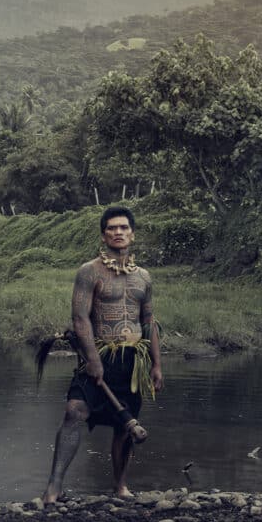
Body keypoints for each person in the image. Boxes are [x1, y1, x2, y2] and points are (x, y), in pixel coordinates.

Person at [43, 207, 164, 503]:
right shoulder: (89, 272)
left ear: (132, 234)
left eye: (123, 228)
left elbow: (149, 321)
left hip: (132, 360)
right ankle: (54, 487)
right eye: (112, 228)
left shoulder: (144, 278)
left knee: (126, 425)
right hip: (97, 354)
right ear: (103, 234)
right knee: (74, 411)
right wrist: (93, 359)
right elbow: (80, 317)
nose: (118, 232)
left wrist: (157, 365)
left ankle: (120, 485)